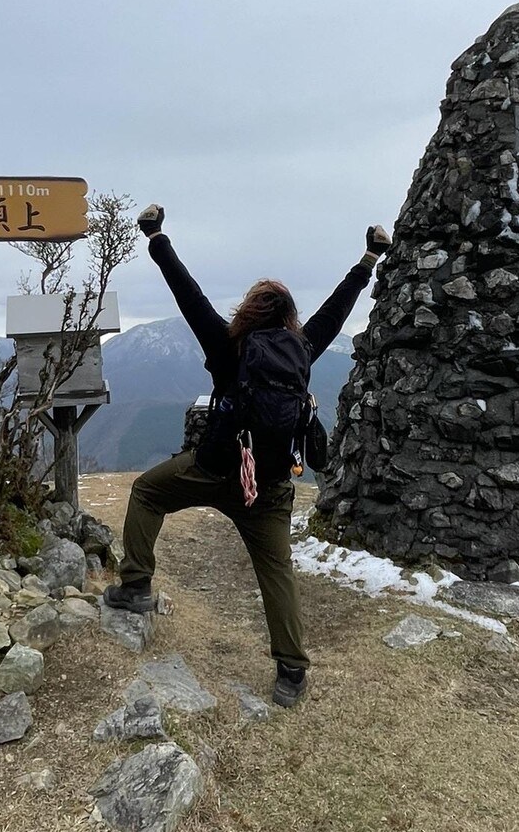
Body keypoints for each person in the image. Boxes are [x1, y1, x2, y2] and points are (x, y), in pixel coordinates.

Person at [105, 203, 391, 707]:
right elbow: (338, 306)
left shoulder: (226, 346)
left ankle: (135, 586)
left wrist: (157, 237)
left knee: (147, 491)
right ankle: (291, 672)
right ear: (288, 319)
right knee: (275, 570)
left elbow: (187, 293)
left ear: (248, 312)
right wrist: (368, 257)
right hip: (272, 486)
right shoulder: (303, 348)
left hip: (213, 468)